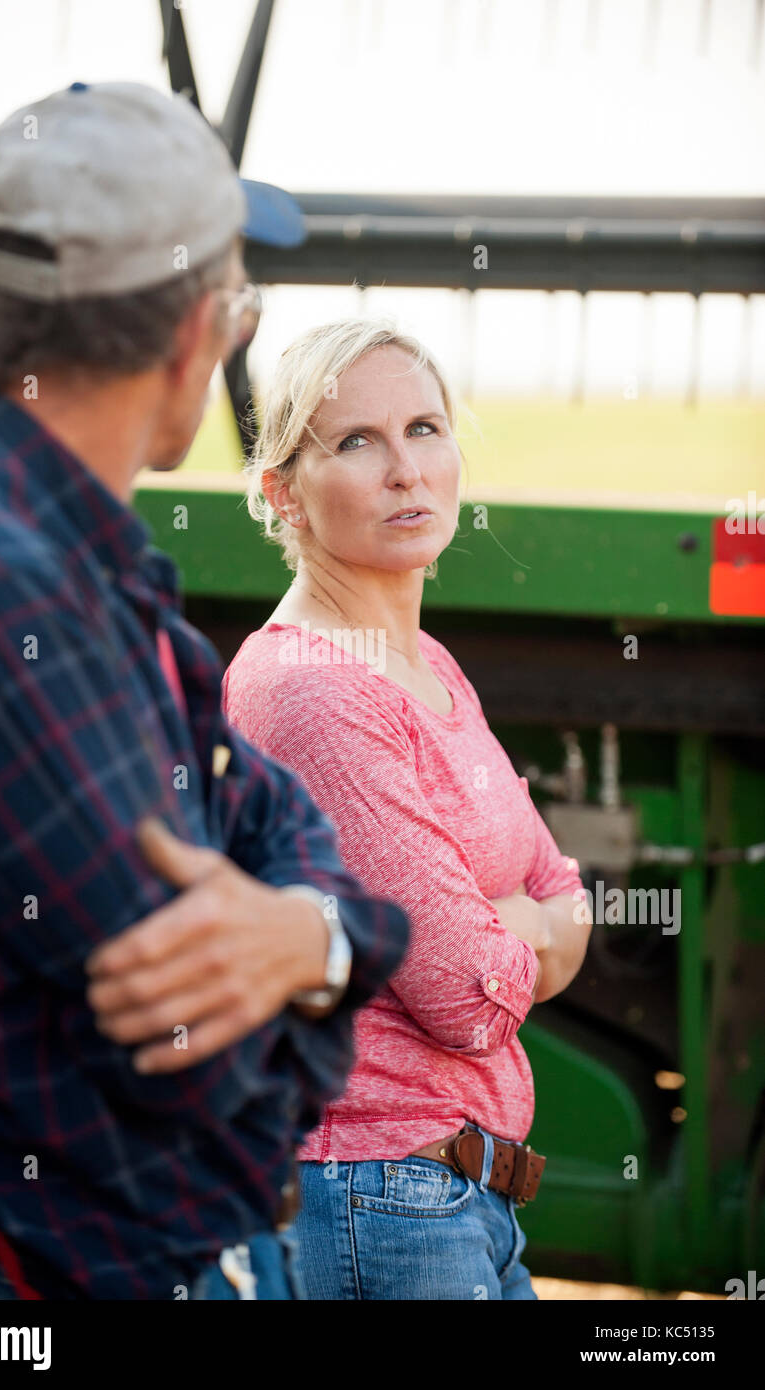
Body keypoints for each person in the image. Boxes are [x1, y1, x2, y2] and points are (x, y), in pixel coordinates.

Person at [0, 87, 409, 1301]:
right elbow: (204, 1069)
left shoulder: (59, 552)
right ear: (195, 332)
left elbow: (266, 816)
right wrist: (336, 949)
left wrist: (306, 934)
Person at [218, 318, 593, 1299]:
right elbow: (464, 992)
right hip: (373, 1199)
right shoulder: (312, 692)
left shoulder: (430, 669)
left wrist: (520, 921)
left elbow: (567, 893)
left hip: (463, 1197)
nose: (405, 470)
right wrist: (521, 924)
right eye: (355, 441)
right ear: (282, 493)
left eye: (424, 428)